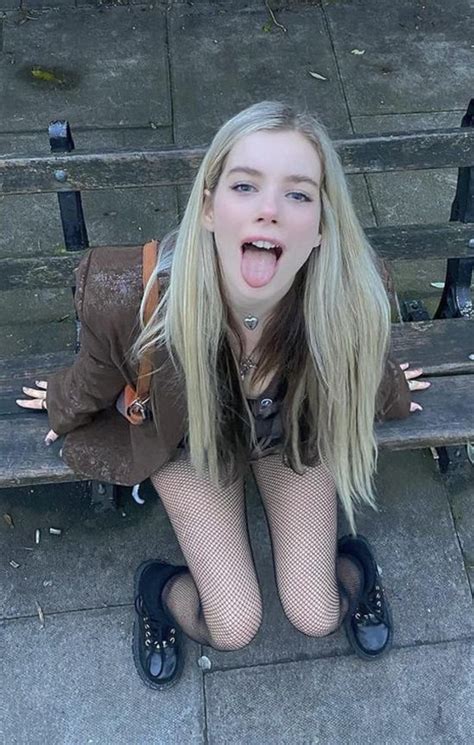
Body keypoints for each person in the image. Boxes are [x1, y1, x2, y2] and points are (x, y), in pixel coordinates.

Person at [16, 100, 430, 691]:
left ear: (320, 226)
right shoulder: (132, 295)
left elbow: (358, 359)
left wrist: (390, 390)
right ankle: (160, 589)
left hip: (288, 434)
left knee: (316, 615)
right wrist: (64, 405)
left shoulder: (348, 294)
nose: (269, 209)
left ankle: (357, 567)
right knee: (233, 625)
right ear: (209, 207)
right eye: (245, 185)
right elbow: (100, 368)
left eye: (298, 193)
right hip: (192, 445)